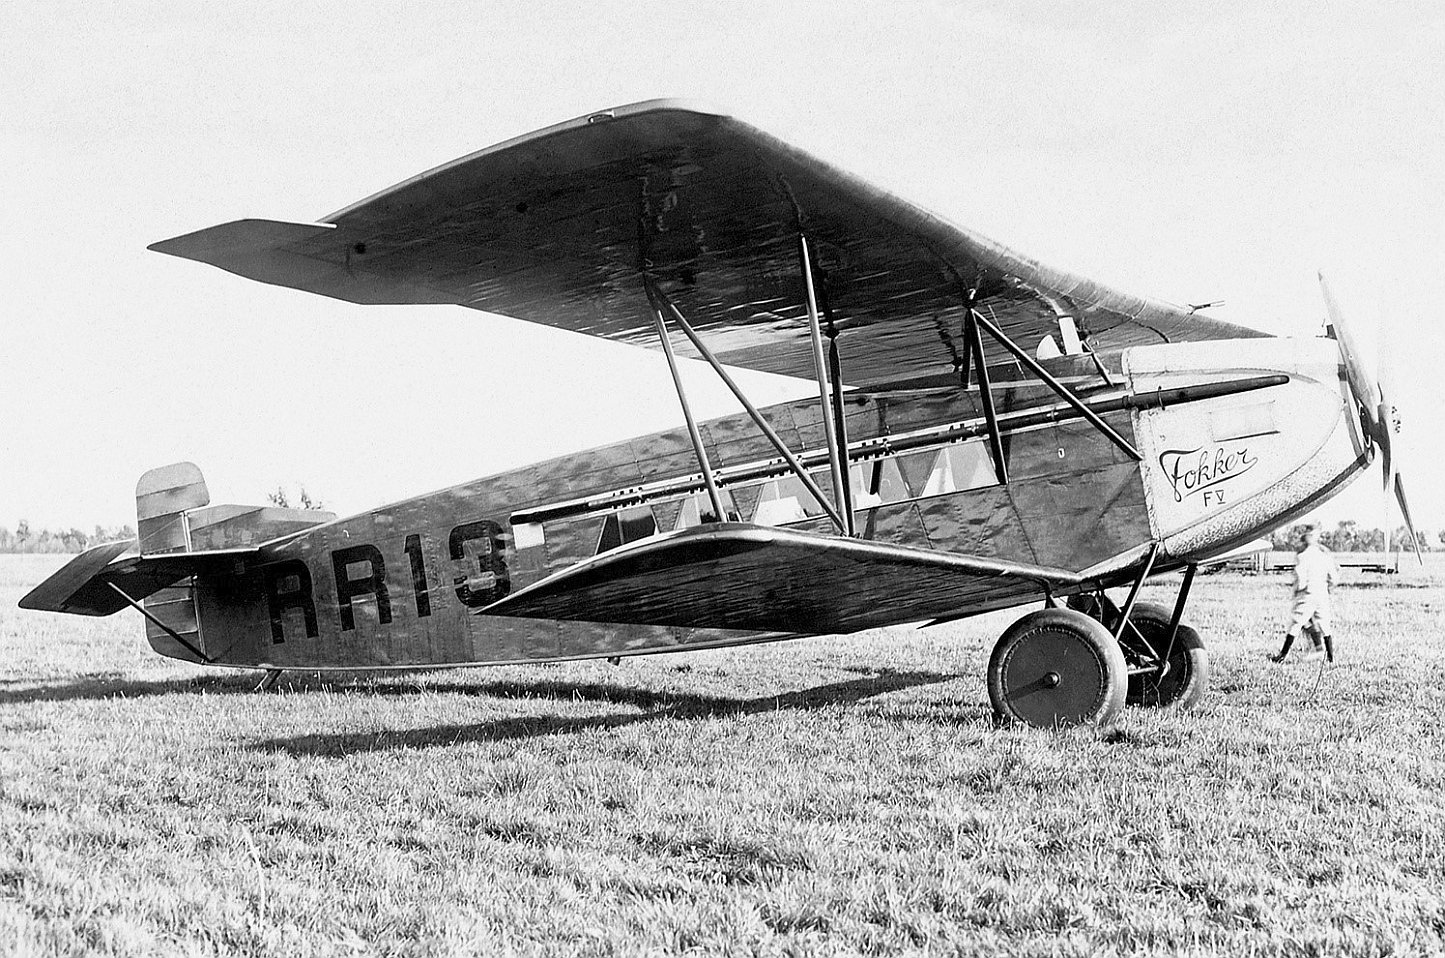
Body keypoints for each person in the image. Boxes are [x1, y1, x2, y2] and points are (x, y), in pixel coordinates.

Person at [1270, 524, 1339, 663]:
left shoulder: (1302, 556)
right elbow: (1335, 578)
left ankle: (1282, 656)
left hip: (1308, 594)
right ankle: (1330, 658)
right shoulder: (1325, 556)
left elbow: (1301, 581)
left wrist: (1296, 591)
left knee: (1296, 624)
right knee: (1325, 625)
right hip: (1322, 593)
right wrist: (1327, 588)